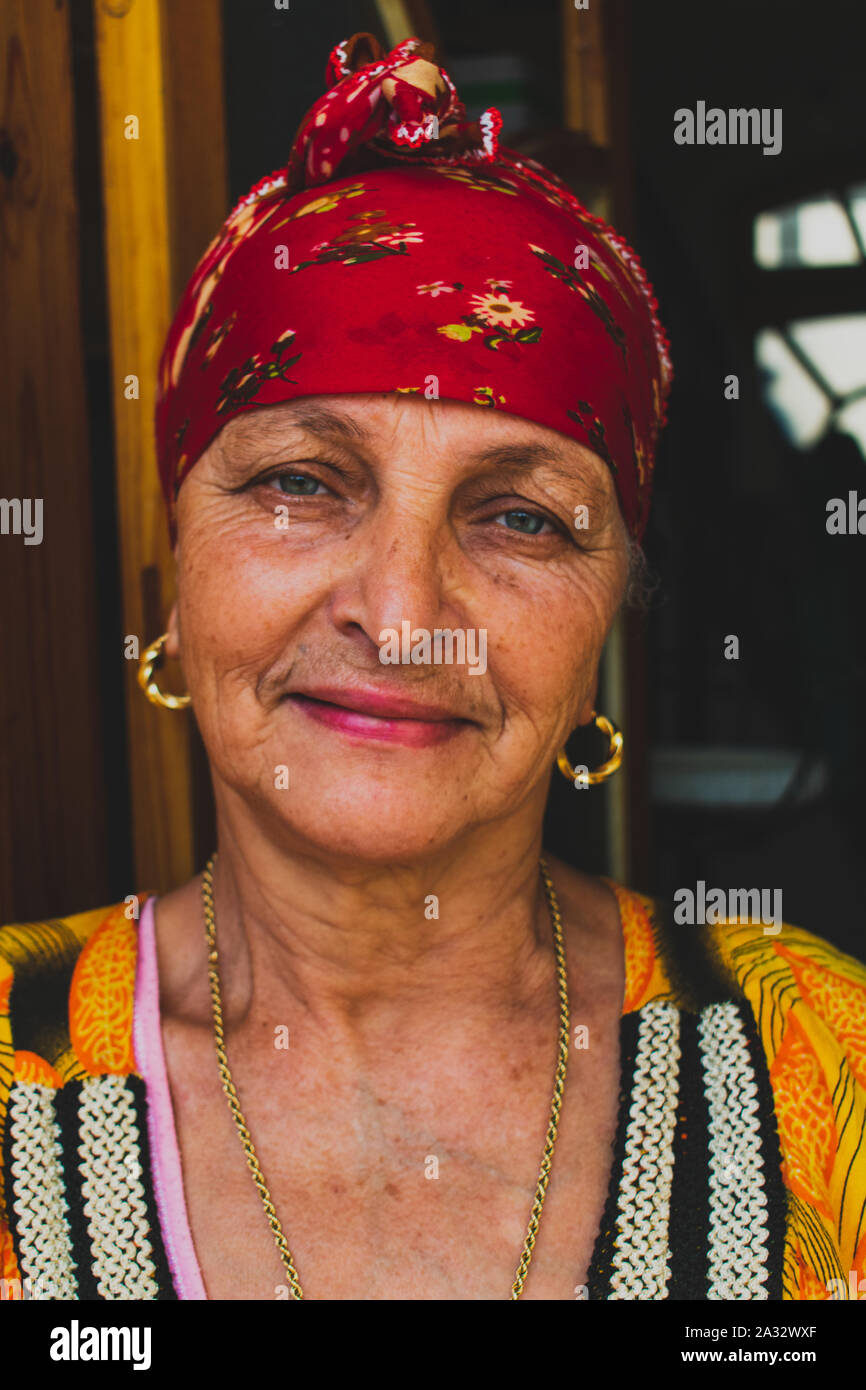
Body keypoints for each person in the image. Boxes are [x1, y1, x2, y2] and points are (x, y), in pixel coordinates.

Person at [2, 32, 864, 1302]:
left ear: (605, 622)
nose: (402, 615)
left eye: (518, 516)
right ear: (172, 581)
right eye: (300, 482)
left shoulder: (823, 1064)